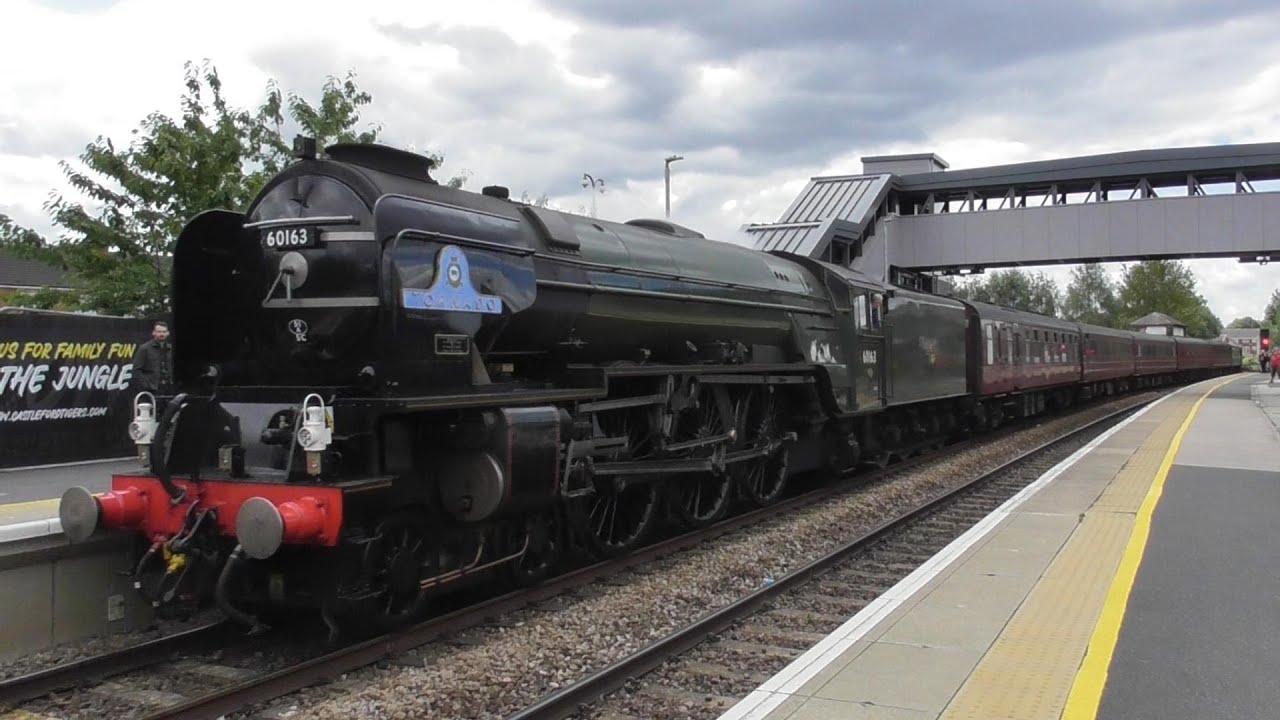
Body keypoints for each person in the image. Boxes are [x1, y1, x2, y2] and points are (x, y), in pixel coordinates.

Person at [133, 320, 173, 395]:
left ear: (168, 333)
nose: (162, 334)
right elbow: (136, 370)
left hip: (170, 388)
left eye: (164, 332)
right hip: (152, 389)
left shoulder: (171, 349)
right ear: (153, 332)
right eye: (159, 331)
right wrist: (146, 385)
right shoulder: (145, 348)